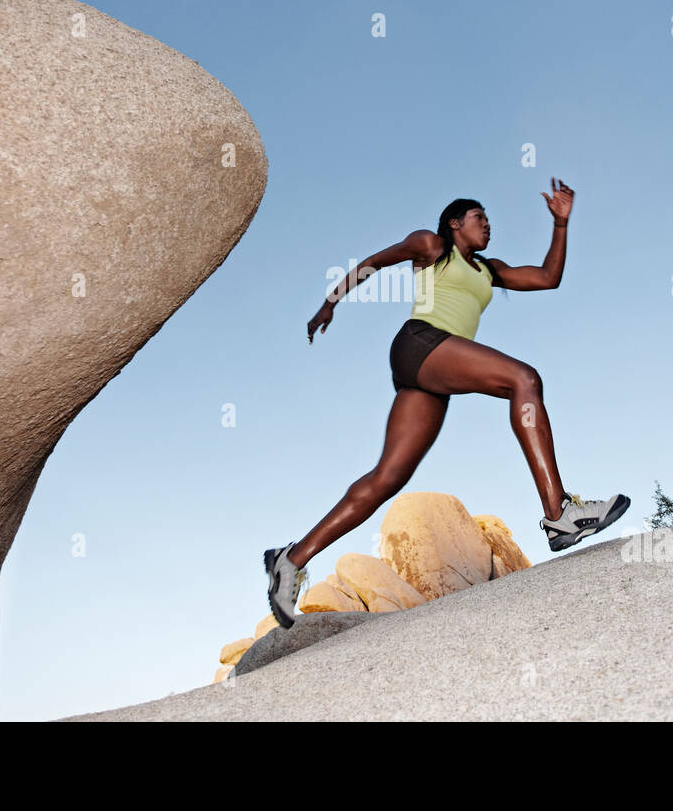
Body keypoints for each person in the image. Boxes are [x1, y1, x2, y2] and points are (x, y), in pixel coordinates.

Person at [264, 179, 630, 627]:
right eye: (480, 219)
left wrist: (559, 223)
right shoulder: (432, 246)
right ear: (456, 223)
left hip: (430, 376)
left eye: (489, 221)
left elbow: (548, 278)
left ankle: (291, 558)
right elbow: (375, 263)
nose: (488, 227)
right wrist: (330, 302)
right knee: (524, 379)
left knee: (387, 477)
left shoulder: (489, 270)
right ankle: (559, 514)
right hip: (421, 342)